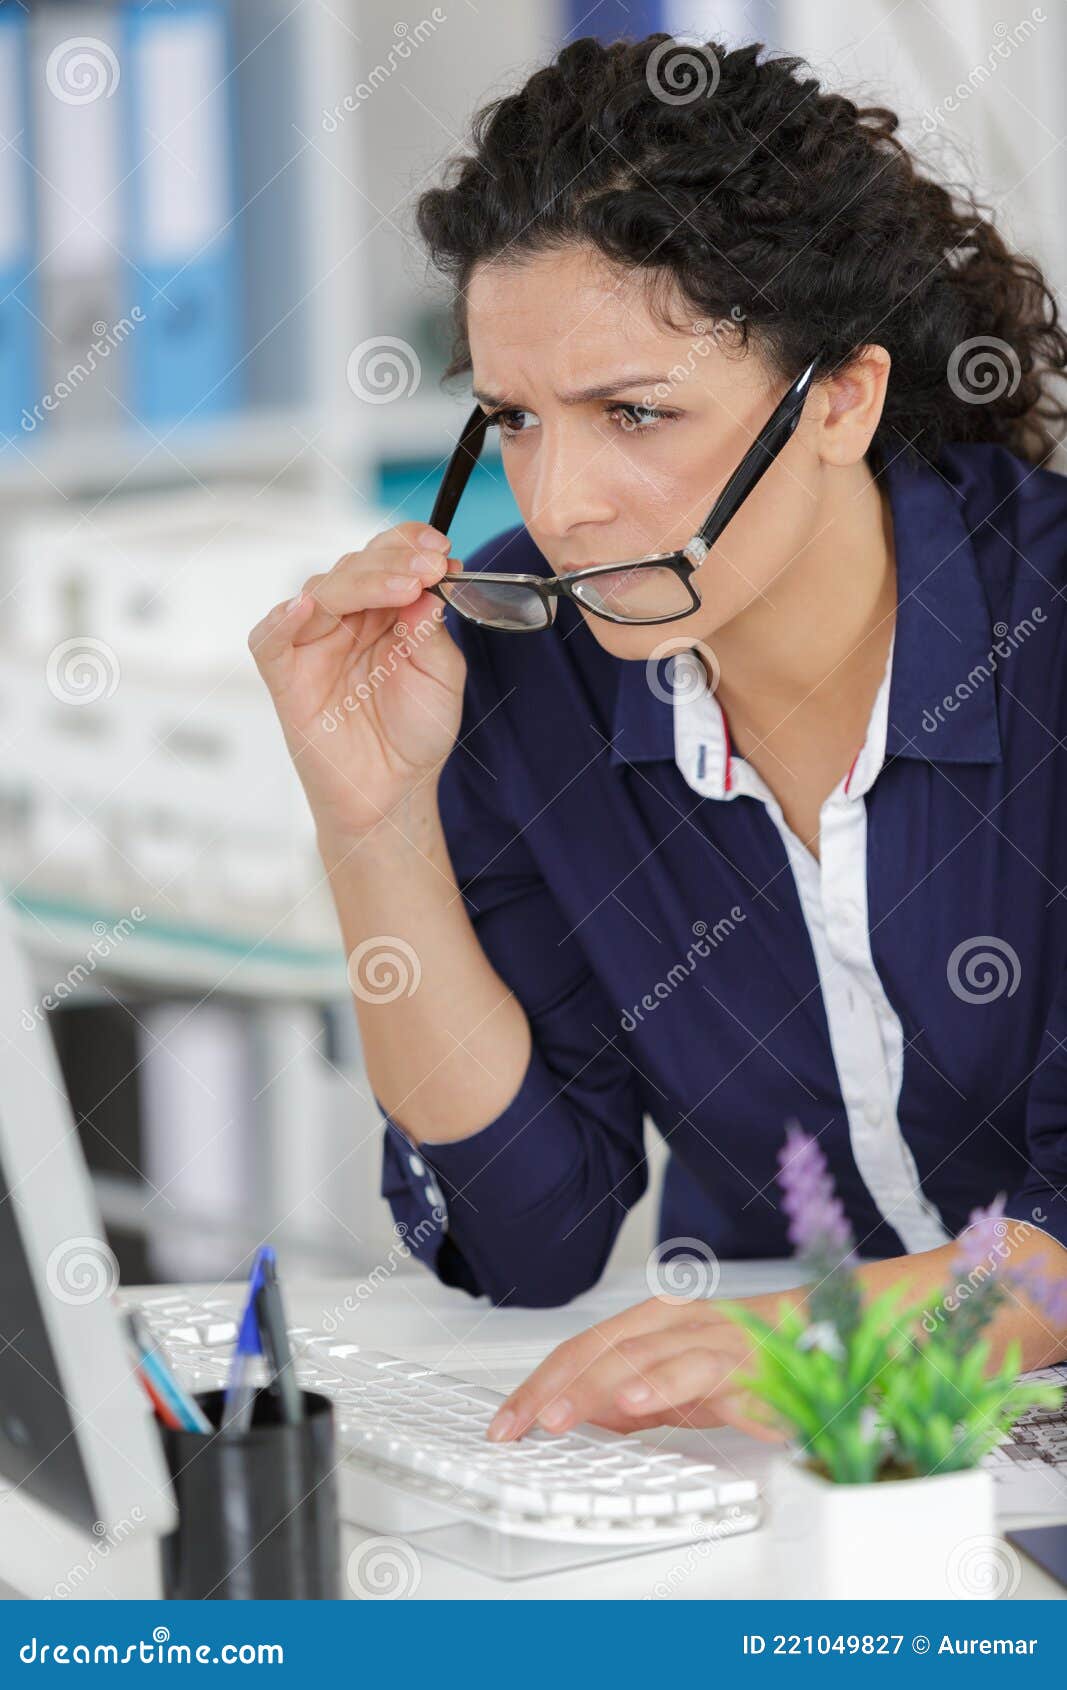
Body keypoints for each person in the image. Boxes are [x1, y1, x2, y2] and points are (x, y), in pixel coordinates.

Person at [250, 35, 1067, 1444]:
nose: (560, 505)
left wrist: (808, 1341)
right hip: (783, 1475)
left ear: (841, 400)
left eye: (635, 413)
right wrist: (371, 820)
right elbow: (526, 1239)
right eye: (513, 418)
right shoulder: (524, 663)